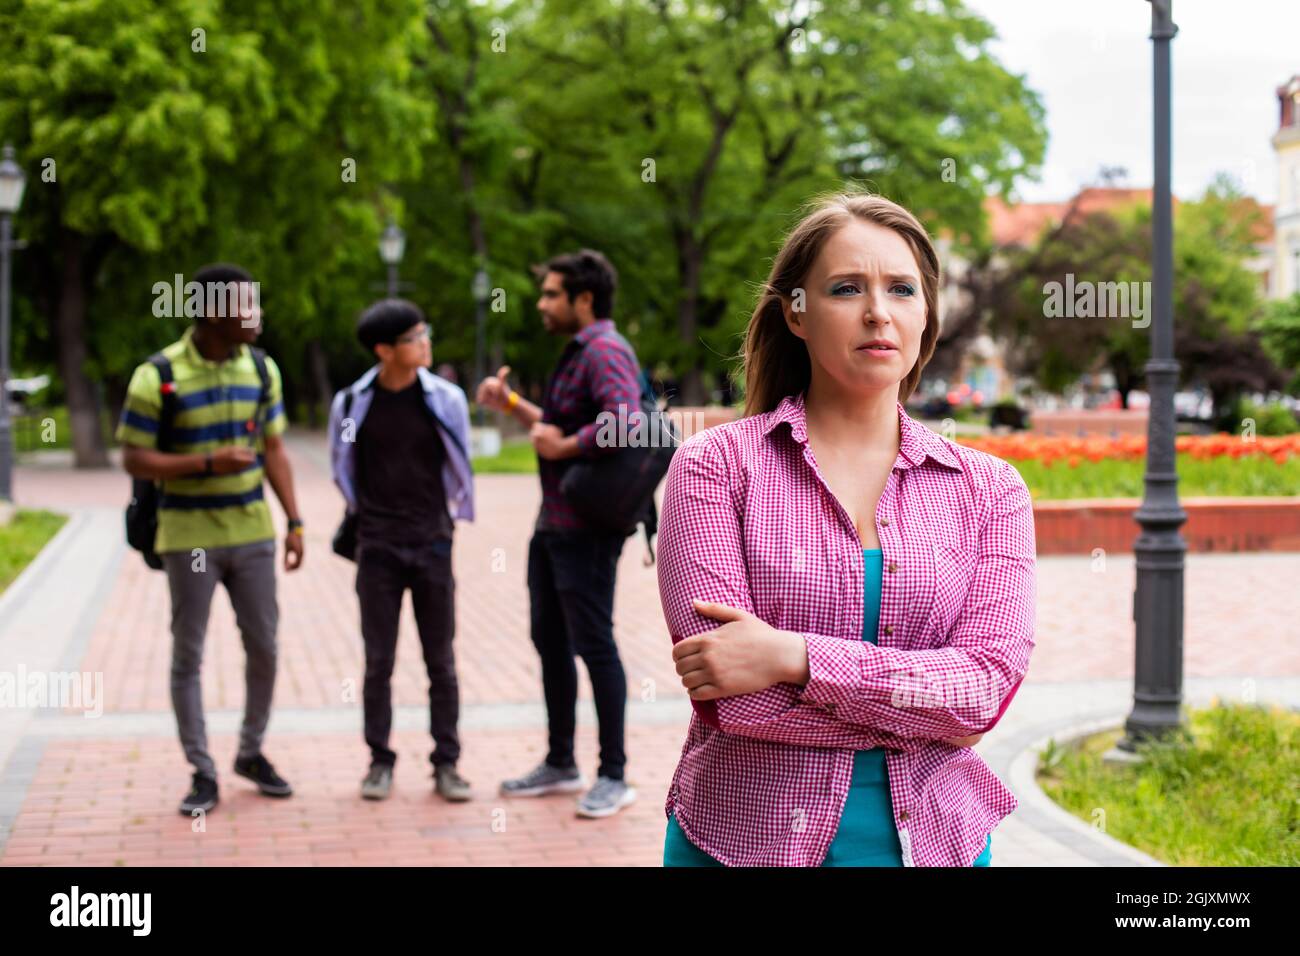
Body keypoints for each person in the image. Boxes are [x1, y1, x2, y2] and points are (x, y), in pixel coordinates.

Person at [655, 192, 1037, 866]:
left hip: (935, 844)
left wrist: (792, 658)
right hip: (741, 842)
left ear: (928, 318)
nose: (877, 313)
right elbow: (730, 699)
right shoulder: (714, 469)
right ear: (795, 314)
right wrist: (924, 711)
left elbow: (980, 694)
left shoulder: (991, 492)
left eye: (901, 289)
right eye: (844, 288)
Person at [116, 262, 303, 816]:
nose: (258, 315)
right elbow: (132, 456)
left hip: (252, 532)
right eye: (247, 306)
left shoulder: (263, 371)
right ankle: (202, 770)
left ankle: (251, 752)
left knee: (265, 646)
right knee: (189, 654)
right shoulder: (158, 376)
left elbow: (274, 450)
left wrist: (294, 521)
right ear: (213, 312)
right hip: (187, 536)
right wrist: (205, 462)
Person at [477, 249, 643, 819]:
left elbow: (625, 419)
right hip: (554, 524)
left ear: (583, 300)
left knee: (594, 644)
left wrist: (569, 447)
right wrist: (514, 405)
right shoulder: (580, 352)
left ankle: (614, 774)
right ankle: (560, 762)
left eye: (551, 294)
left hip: (587, 530)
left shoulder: (604, 348)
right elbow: (559, 422)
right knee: (550, 642)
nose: (542, 304)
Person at [328, 299, 475, 802]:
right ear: (384, 350)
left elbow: (459, 463)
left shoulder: (446, 398)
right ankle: (379, 761)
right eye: (415, 337)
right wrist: (370, 518)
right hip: (378, 548)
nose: (426, 342)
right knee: (378, 661)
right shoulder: (352, 403)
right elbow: (340, 466)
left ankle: (447, 764)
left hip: (433, 542)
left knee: (442, 662)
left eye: (424, 332)